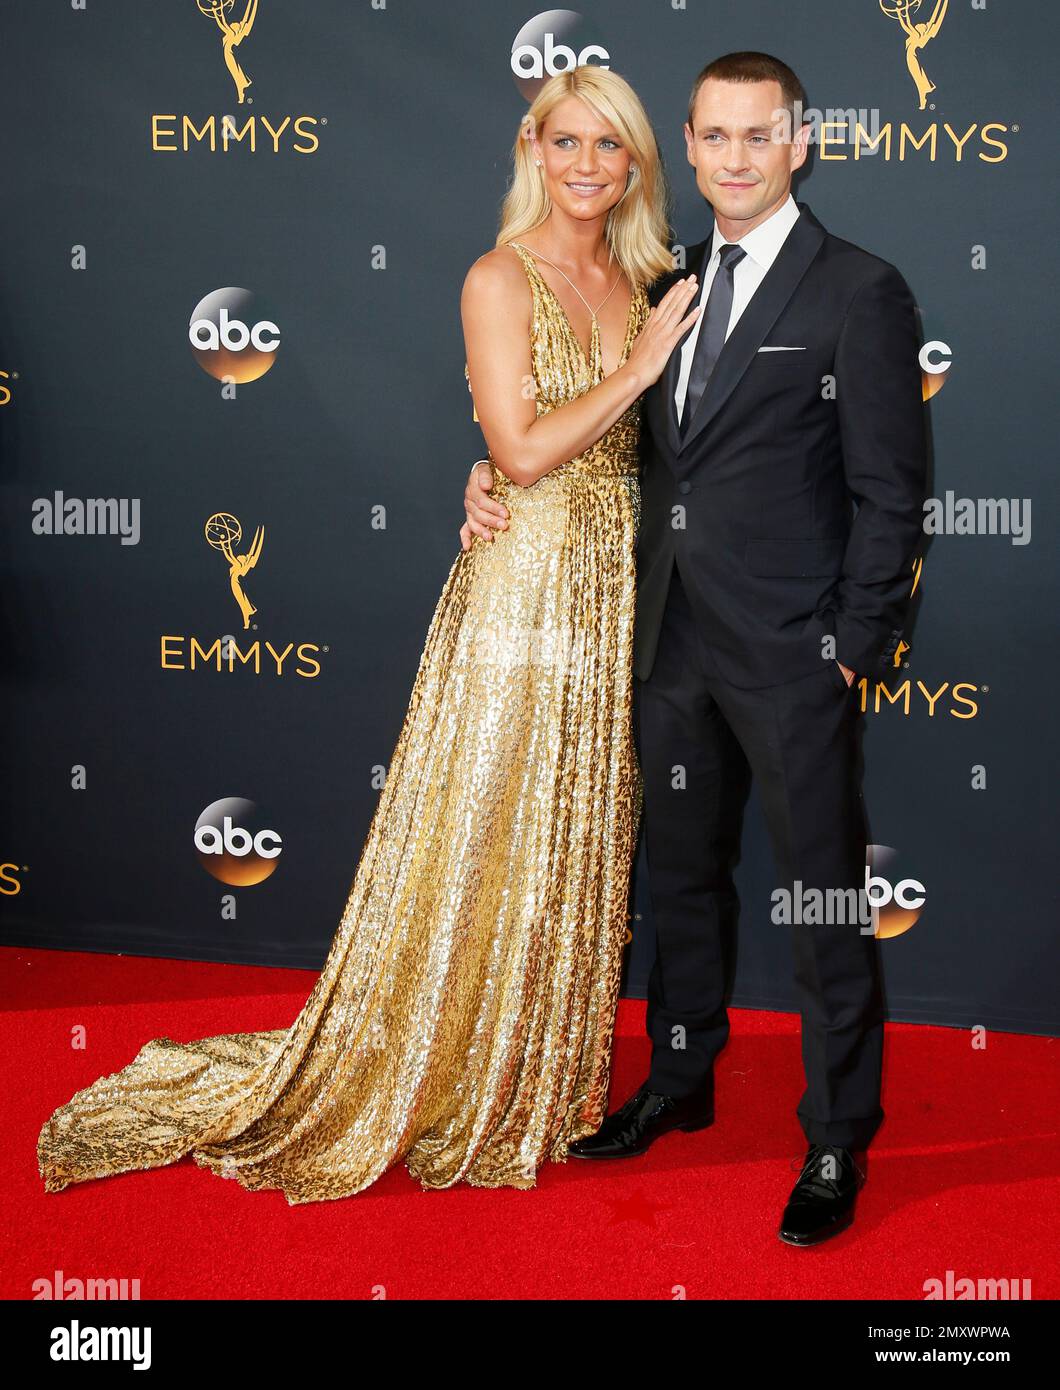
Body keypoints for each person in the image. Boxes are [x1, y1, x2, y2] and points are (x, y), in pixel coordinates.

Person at [36, 66, 701, 1205]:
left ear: (635, 164)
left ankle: (529, 1067)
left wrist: (511, 452)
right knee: (488, 821)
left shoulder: (651, 278)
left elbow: (648, 444)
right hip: (522, 590)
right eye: (567, 141)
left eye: (611, 147)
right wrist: (596, 397)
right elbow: (529, 447)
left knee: (569, 831)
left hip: (612, 590)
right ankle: (434, 1062)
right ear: (531, 148)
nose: (588, 166)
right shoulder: (500, 277)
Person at [461, 51, 928, 1245]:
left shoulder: (857, 289)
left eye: (756, 137)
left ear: (800, 143)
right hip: (665, 643)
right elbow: (610, 443)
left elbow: (891, 491)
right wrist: (486, 474)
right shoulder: (658, 281)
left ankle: (834, 1135)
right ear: (689, 142)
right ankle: (679, 1080)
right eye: (712, 138)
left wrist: (852, 644)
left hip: (791, 653)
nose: (733, 158)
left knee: (821, 897)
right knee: (678, 888)